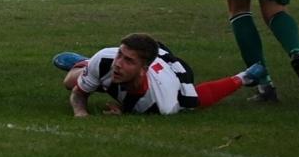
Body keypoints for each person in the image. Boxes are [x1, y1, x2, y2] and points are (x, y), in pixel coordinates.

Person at [53, 33, 265, 117]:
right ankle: (87, 65)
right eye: (120, 55)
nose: (118, 63)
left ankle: (244, 77)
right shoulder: (107, 58)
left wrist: (125, 112)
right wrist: (80, 112)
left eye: (128, 60)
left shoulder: (162, 104)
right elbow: (77, 93)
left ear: (143, 68)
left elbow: (195, 97)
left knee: (191, 101)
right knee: (70, 82)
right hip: (147, 61)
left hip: (174, 70)